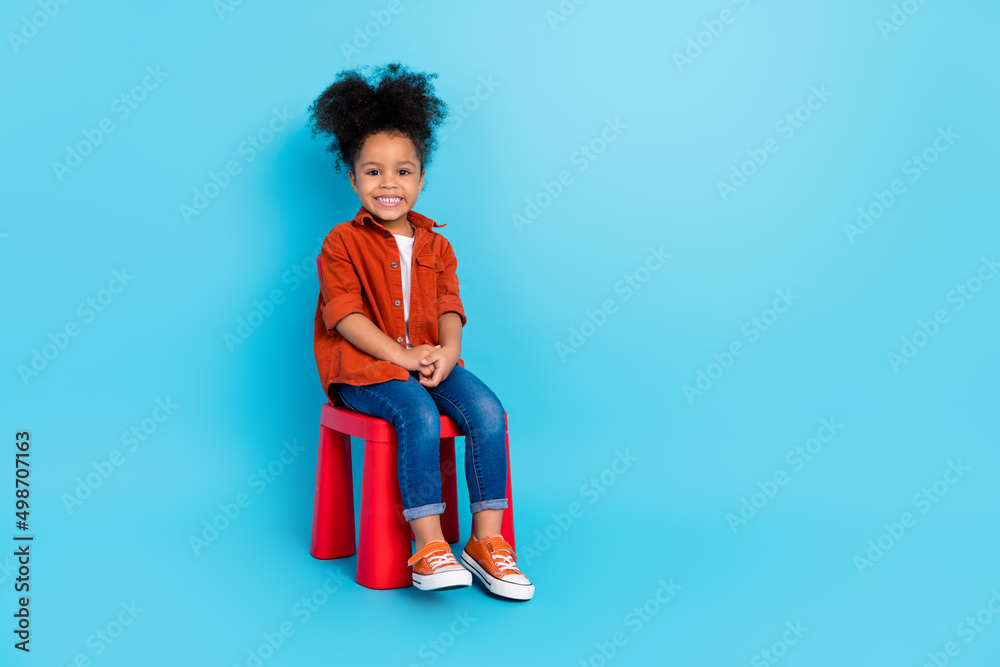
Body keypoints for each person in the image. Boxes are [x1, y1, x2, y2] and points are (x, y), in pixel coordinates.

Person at [307, 63, 533, 601]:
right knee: (416, 411)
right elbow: (345, 316)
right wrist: (403, 360)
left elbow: (451, 307)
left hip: (431, 360)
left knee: (487, 411)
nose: (390, 185)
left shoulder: (438, 245)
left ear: (422, 176)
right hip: (365, 371)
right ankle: (428, 545)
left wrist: (448, 353)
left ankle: (485, 543)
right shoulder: (342, 242)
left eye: (403, 172)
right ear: (353, 176)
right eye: (374, 172)